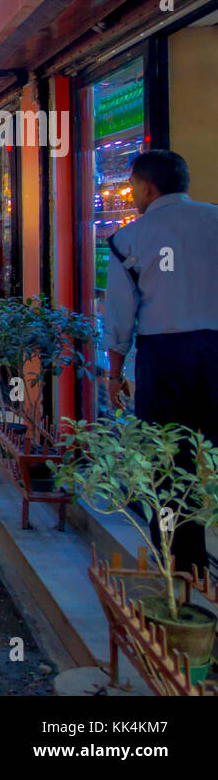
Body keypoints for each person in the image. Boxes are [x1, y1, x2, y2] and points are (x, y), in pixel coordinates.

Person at [104, 150, 218, 578]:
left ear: (146, 187)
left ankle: (179, 566)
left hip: (165, 361)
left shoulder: (130, 239)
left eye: (132, 186)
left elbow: (119, 318)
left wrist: (114, 375)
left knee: (170, 465)